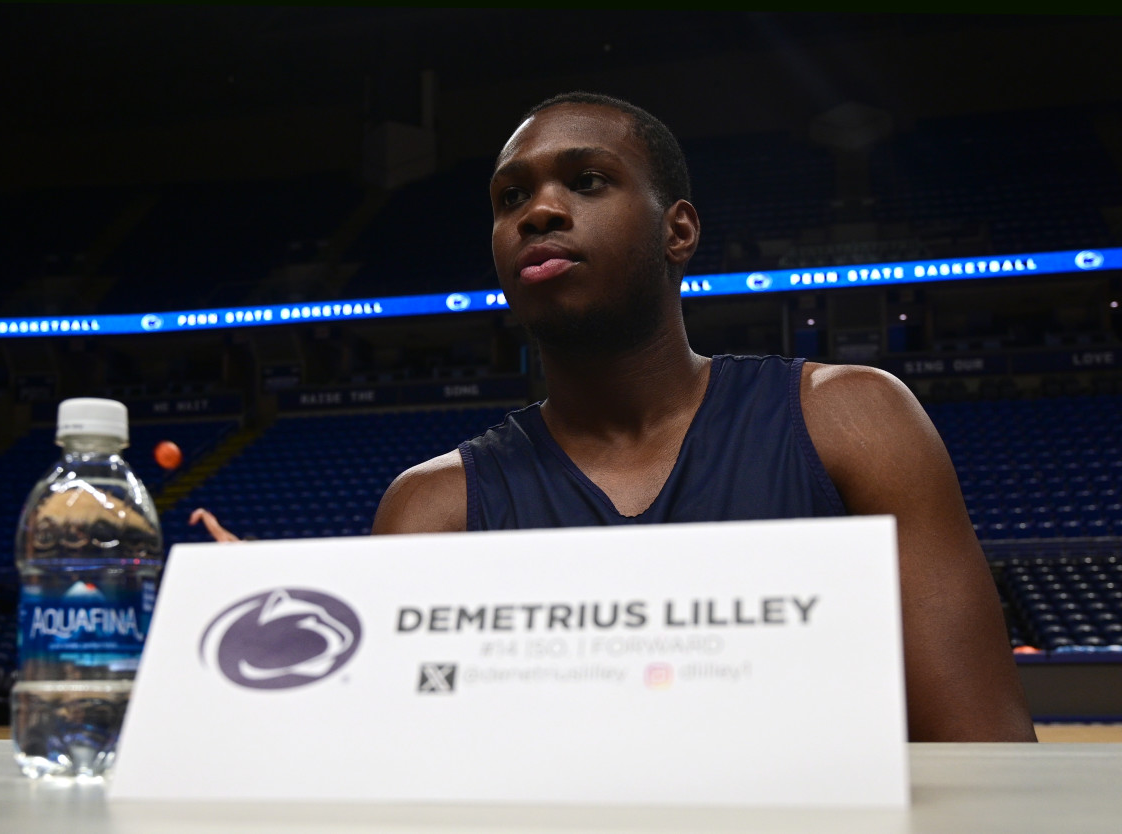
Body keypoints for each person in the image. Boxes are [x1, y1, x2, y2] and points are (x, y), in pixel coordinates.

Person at [201, 91, 1037, 743]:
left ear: (678, 231)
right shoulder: (431, 510)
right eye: (509, 196)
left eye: (587, 180)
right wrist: (299, 682)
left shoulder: (853, 419)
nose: (539, 211)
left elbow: (988, 760)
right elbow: (398, 780)